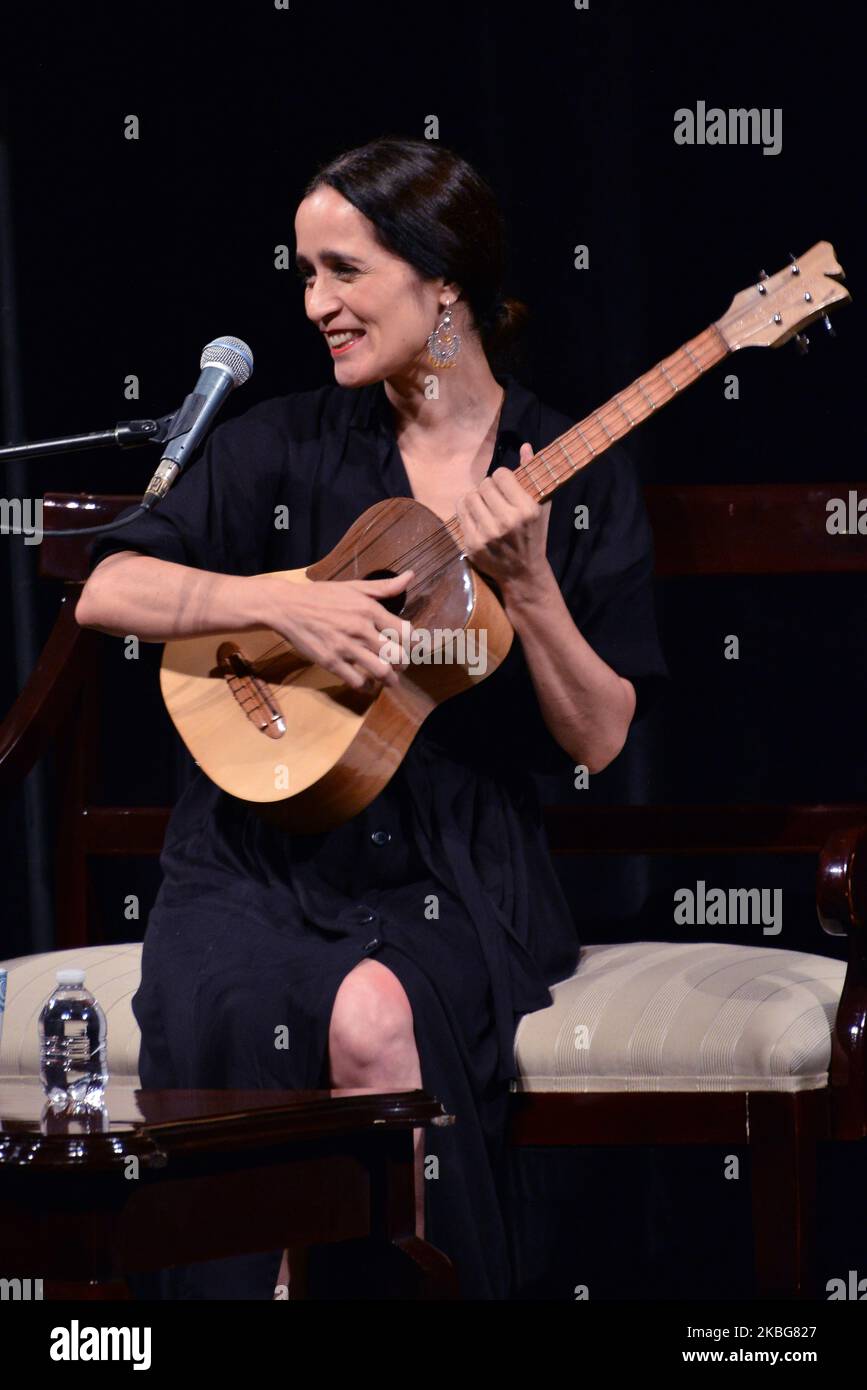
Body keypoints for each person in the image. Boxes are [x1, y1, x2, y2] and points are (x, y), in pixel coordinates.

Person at [76, 135, 667, 1299]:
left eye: (344, 271)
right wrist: (282, 606)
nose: (317, 306)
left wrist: (534, 588)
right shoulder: (285, 442)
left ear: (441, 279)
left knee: (373, 1017)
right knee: (260, 998)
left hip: (453, 868)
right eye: (305, 274)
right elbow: (107, 588)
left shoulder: (573, 472)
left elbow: (601, 735)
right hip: (249, 858)